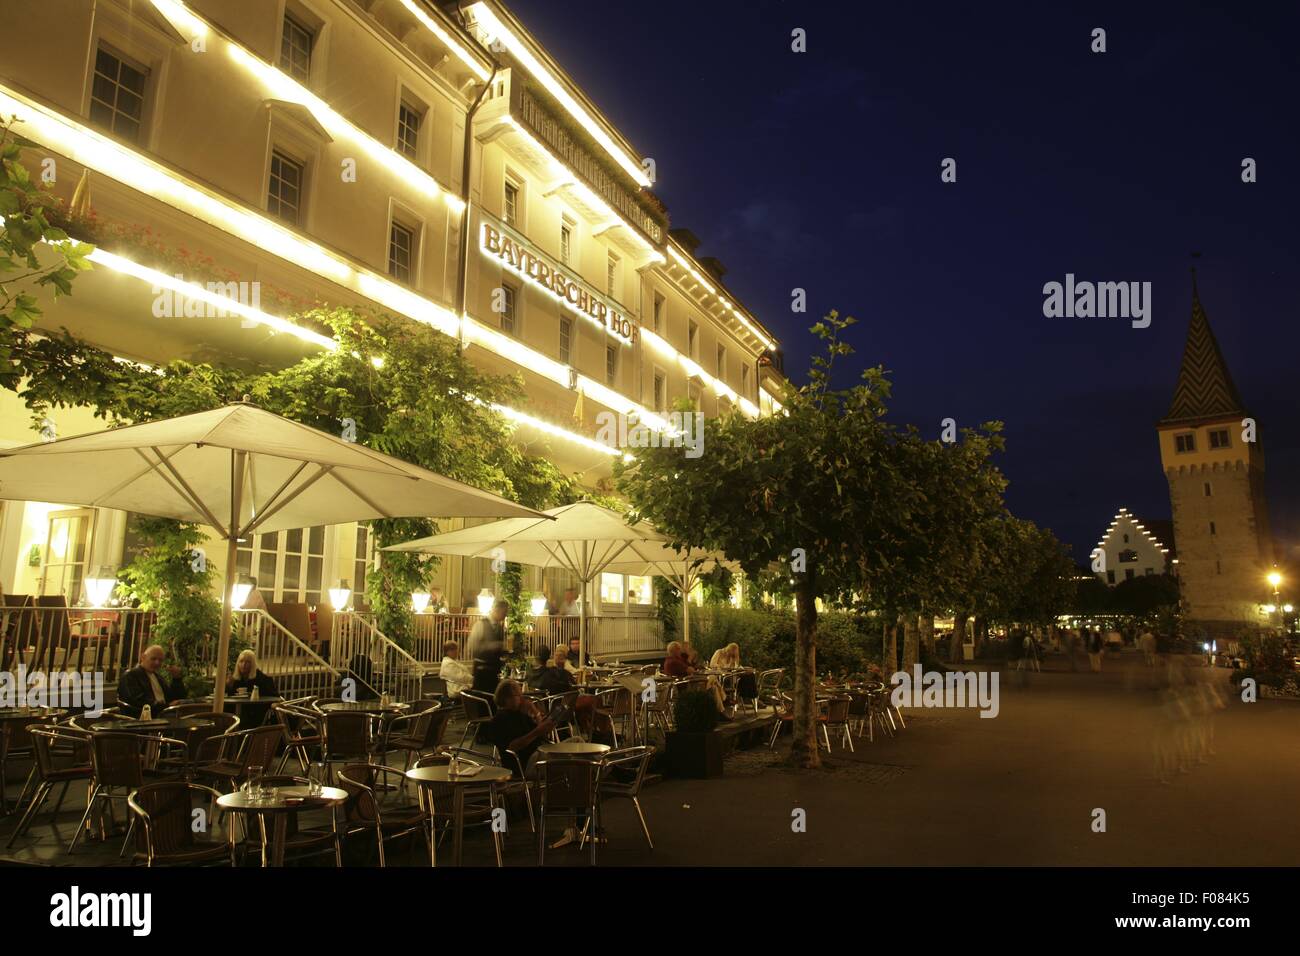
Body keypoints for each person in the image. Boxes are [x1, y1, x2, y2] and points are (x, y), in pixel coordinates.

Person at [485, 679, 555, 778]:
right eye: (517, 695)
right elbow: (512, 746)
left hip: (541, 752)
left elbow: (542, 735)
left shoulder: (521, 714)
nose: (522, 698)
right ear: (506, 698)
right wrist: (537, 732)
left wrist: (536, 713)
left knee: (577, 742)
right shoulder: (499, 721)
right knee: (570, 760)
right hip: (526, 763)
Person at [116, 644, 187, 716]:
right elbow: (137, 701)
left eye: (160, 660)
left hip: (164, 713)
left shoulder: (158, 677)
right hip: (143, 717)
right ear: (143, 657)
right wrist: (166, 706)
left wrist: (176, 679)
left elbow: (175, 698)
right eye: (153, 659)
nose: (157, 663)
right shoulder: (130, 676)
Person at [468, 598, 509, 693]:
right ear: (497, 610)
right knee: (482, 701)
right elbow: (472, 647)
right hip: (481, 673)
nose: (505, 615)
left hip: (494, 673)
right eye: (504, 612)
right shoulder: (480, 625)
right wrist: (493, 646)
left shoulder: (500, 627)